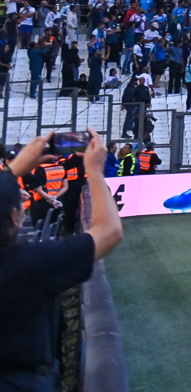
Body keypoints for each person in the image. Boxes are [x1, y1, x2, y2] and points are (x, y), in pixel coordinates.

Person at [1, 130, 122, 392]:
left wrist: (12, 173)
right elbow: (109, 231)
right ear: (14, 217)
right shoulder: (31, 263)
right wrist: (95, 172)